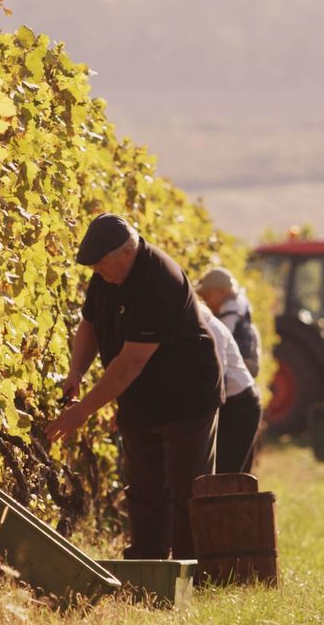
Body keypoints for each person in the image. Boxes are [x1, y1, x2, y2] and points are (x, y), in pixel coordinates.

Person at [45, 214, 223, 559]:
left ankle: (192, 570)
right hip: (141, 395)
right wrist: (76, 372)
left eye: (102, 266)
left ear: (127, 252)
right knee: (144, 488)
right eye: (94, 268)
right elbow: (90, 325)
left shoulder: (157, 280)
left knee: (188, 491)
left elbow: (130, 363)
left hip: (186, 396)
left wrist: (83, 412)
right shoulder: (107, 275)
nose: (98, 273)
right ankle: (147, 565)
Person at [199, 300, 262, 474]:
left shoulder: (212, 329)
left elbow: (220, 379)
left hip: (240, 405)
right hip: (229, 403)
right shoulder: (205, 324)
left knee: (226, 473)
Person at [195, 267, 261, 377]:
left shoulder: (231, 311)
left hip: (242, 365)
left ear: (223, 292)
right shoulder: (237, 307)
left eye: (207, 296)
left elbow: (219, 340)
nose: (205, 302)